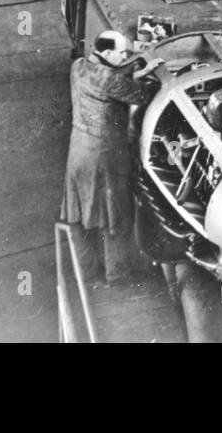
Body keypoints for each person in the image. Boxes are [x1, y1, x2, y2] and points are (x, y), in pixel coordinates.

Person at [61, 31, 160, 284]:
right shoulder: (111, 80)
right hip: (106, 158)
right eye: (122, 53)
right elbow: (140, 95)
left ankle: (85, 272)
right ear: (107, 54)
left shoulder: (79, 66)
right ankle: (118, 275)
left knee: (79, 215)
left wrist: (134, 72)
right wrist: (147, 75)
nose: (126, 57)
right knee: (115, 217)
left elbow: (109, 79)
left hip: (78, 153)